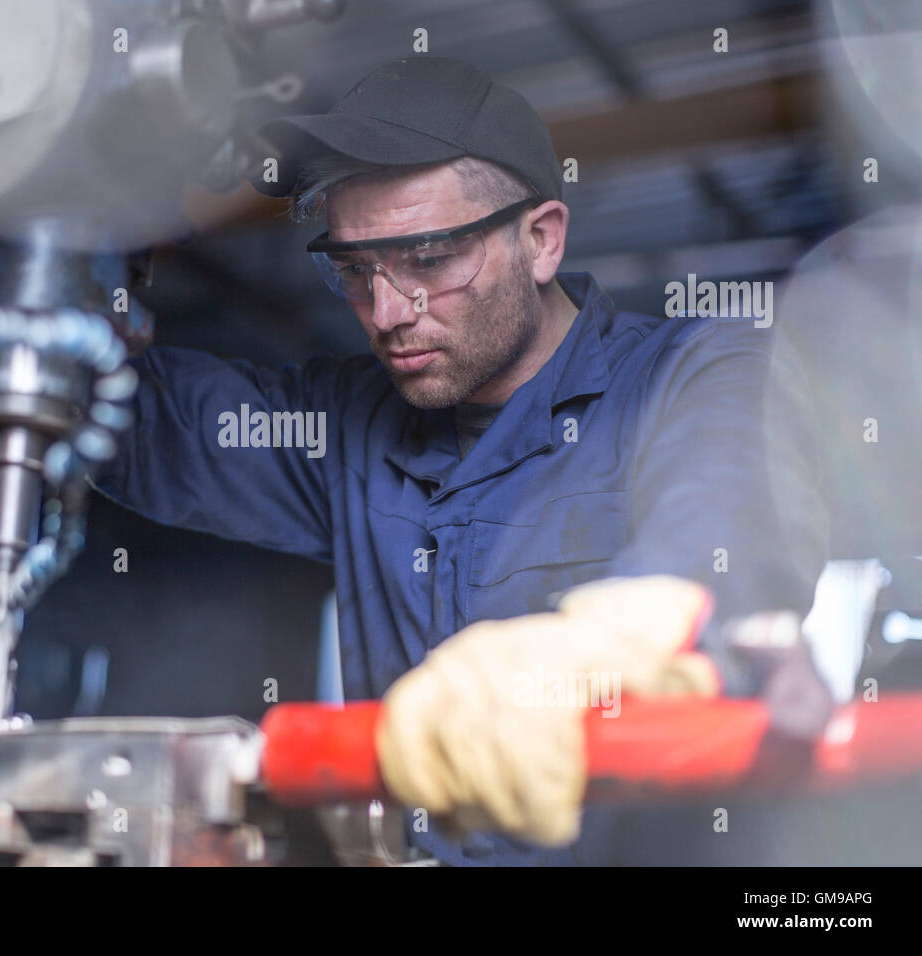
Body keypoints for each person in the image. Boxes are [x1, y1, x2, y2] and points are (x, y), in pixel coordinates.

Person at [95, 56, 829, 865]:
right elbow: (137, 419)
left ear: (541, 239)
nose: (385, 313)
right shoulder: (344, 427)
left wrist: (617, 640)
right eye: (353, 269)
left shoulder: (698, 372)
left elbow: (726, 516)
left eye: (431, 260)